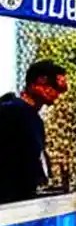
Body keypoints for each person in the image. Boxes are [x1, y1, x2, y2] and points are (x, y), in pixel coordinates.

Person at [0, 60, 67, 204]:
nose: (57, 94)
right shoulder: (13, 112)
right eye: (55, 87)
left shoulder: (30, 116)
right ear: (38, 82)